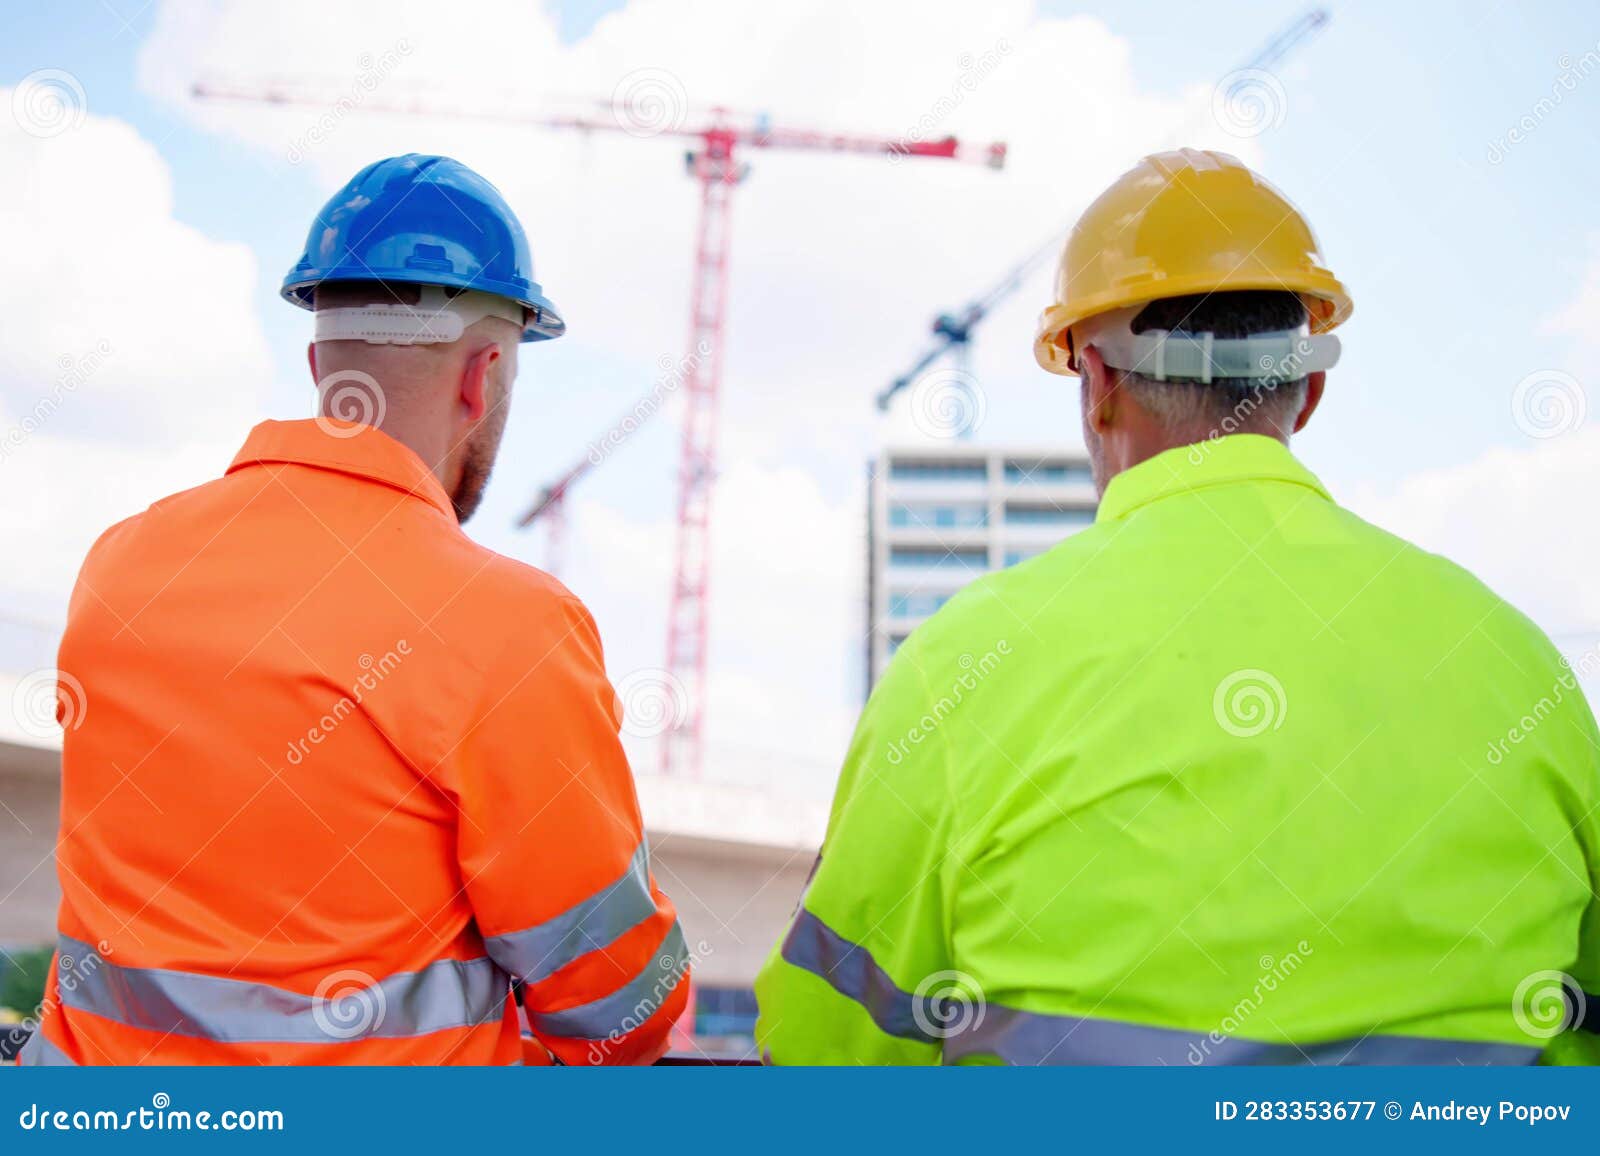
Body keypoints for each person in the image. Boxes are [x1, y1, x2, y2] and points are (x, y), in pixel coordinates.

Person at [754, 149, 1600, 1065]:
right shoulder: (1514, 660)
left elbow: (829, 1052)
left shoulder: (965, 664)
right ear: (1308, 390)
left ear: (1098, 384)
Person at [20, 154, 687, 1065]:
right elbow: (618, 1010)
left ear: (319, 362)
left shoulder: (122, 566)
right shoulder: (507, 627)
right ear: (481, 377)